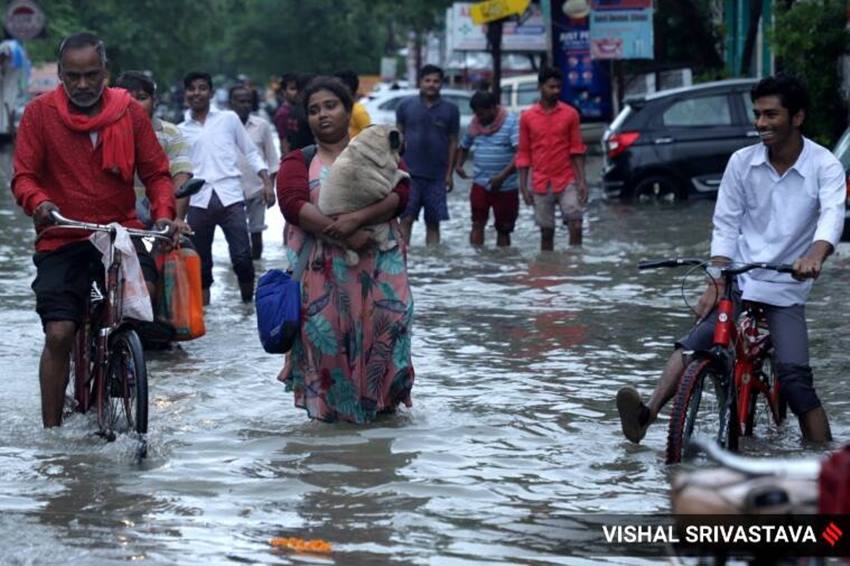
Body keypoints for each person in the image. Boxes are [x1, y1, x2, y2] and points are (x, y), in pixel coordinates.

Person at [616, 74, 845, 445]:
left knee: (795, 382)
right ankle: (646, 415)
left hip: (787, 285)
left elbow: (832, 216)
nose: (760, 123)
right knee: (694, 344)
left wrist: (814, 257)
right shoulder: (741, 162)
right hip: (738, 277)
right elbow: (725, 223)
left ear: (797, 117)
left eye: (771, 115)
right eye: (757, 114)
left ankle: (826, 465)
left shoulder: (825, 165)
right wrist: (716, 279)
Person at [11, 32, 175, 427]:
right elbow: (23, 177)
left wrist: (165, 214)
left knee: (142, 300)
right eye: (72, 77)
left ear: (106, 73)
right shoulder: (39, 113)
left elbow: (156, 173)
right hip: (62, 235)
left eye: (91, 75)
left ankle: (118, 361)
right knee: (60, 333)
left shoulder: (129, 112)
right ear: (61, 77)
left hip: (119, 232)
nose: (82, 85)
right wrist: (40, 204)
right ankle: (52, 433)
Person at [276, 76, 414, 423]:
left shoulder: (376, 148)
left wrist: (358, 219)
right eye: (313, 110)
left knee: (388, 338)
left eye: (330, 106)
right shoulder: (299, 160)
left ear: (348, 107)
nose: (322, 115)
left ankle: (382, 426)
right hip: (324, 275)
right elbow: (292, 204)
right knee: (330, 351)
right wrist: (342, 235)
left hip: (381, 268)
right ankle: (332, 434)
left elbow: (401, 192)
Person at [179, 71, 271, 304]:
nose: (196, 93)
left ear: (210, 93)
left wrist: (266, 181)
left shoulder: (228, 119)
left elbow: (250, 151)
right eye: (191, 88)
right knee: (201, 263)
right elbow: (177, 171)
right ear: (186, 94)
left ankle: (248, 308)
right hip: (197, 201)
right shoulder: (180, 130)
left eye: (202, 88)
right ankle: (205, 314)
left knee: (242, 257)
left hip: (230, 196)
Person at [516, 66, 588, 250]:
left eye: (558, 87)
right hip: (540, 181)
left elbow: (577, 150)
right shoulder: (527, 117)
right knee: (546, 233)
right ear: (540, 87)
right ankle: (548, 270)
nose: (555, 91)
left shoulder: (570, 114)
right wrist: (523, 187)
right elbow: (524, 153)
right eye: (551, 87)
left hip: (567, 178)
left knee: (576, 223)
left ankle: (575, 262)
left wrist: (582, 182)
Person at [114, 71, 193, 231]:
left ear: (154, 101)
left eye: (141, 98)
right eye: (128, 98)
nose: (134, 104)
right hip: (114, 220)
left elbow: (181, 176)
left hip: (160, 219)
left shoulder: (170, 133)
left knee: (187, 253)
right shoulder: (106, 132)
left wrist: (177, 218)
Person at [396, 64, 460, 246]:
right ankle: (402, 258)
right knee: (406, 218)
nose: (432, 85)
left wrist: (449, 174)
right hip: (408, 174)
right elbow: (398, 138)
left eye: (436, 81)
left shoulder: (451, 109)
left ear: (441, 84)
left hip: (437, 176)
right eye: (428, 80)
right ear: (420, 82)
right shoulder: (405, 106)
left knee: (433, 222)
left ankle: (433, 264)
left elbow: (453, 141)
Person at [454, 90, 520, 248]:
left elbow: (520, 154)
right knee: (477, 224)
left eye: (482, 114)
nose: (480, 118)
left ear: (493, 108)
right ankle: (477, 262)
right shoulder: (475, 123)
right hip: (480, 183)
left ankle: (503, 264)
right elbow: (464, 145)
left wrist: (502, 177)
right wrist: (459, 164)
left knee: (504, 229)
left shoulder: (511, 122)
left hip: (506, 186)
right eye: (477, 114)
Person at [229, 84, 279, 259]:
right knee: (236, 237)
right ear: (231, 103)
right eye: (240, 101)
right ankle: (238, 274)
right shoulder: (224, 126)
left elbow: (272, 159)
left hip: (257, 189)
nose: (244, 105)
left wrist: (269, 187)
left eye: (248, 101)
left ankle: (257, 270)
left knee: (256, 235)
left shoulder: (262, 126)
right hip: (231, 191)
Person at [334, 69, 371, 138]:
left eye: (335, 87)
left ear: (346, 88)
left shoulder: (358, 111)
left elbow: (370, 137)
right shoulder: (340, 109)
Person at [273, 72, 298, 153]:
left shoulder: (300, 109)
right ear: (284, 91)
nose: (296, 92)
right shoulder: (283, 113)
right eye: (292, 89)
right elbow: (284, 142)